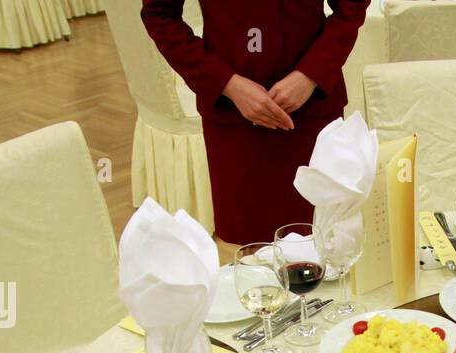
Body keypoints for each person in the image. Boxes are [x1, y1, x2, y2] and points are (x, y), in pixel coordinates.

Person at [141, 0, 371, 244]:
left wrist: (310, 74)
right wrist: (227, 84)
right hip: (235, 121)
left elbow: (352, 6)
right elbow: (160, 14)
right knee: (252, 257)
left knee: (326, 244)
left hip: (312, 114)